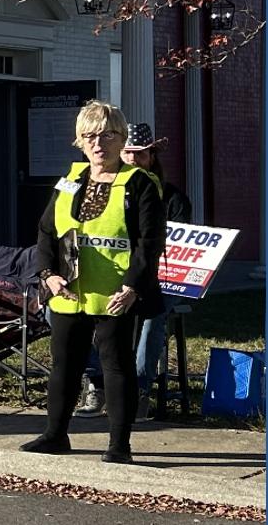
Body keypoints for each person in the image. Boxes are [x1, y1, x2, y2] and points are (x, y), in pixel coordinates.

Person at [21, 101, 165, 464]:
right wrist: (48, 274)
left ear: (122, 139)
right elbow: (47, 231)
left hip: (117, 294)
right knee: (64, 365)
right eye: (89, 136)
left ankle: (119, 445)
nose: (98, 143)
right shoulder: (70, 180)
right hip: (69, 291)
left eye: (107, 135)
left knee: (116, 366)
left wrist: (132, 287)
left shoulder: (140, 185)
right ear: (79, 141)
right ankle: (55, 435)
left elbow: (149, 243)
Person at [121, 123, 192, 420]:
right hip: (117, 276)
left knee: (153, 316)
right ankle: (97, 381)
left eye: (140, 154)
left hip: (162, 279)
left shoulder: (173, 198)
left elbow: (182, 246)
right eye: (127, 153)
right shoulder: (107, 193)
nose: (133, 159)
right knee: (70, 313)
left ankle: (138, 390)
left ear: (152, 156)